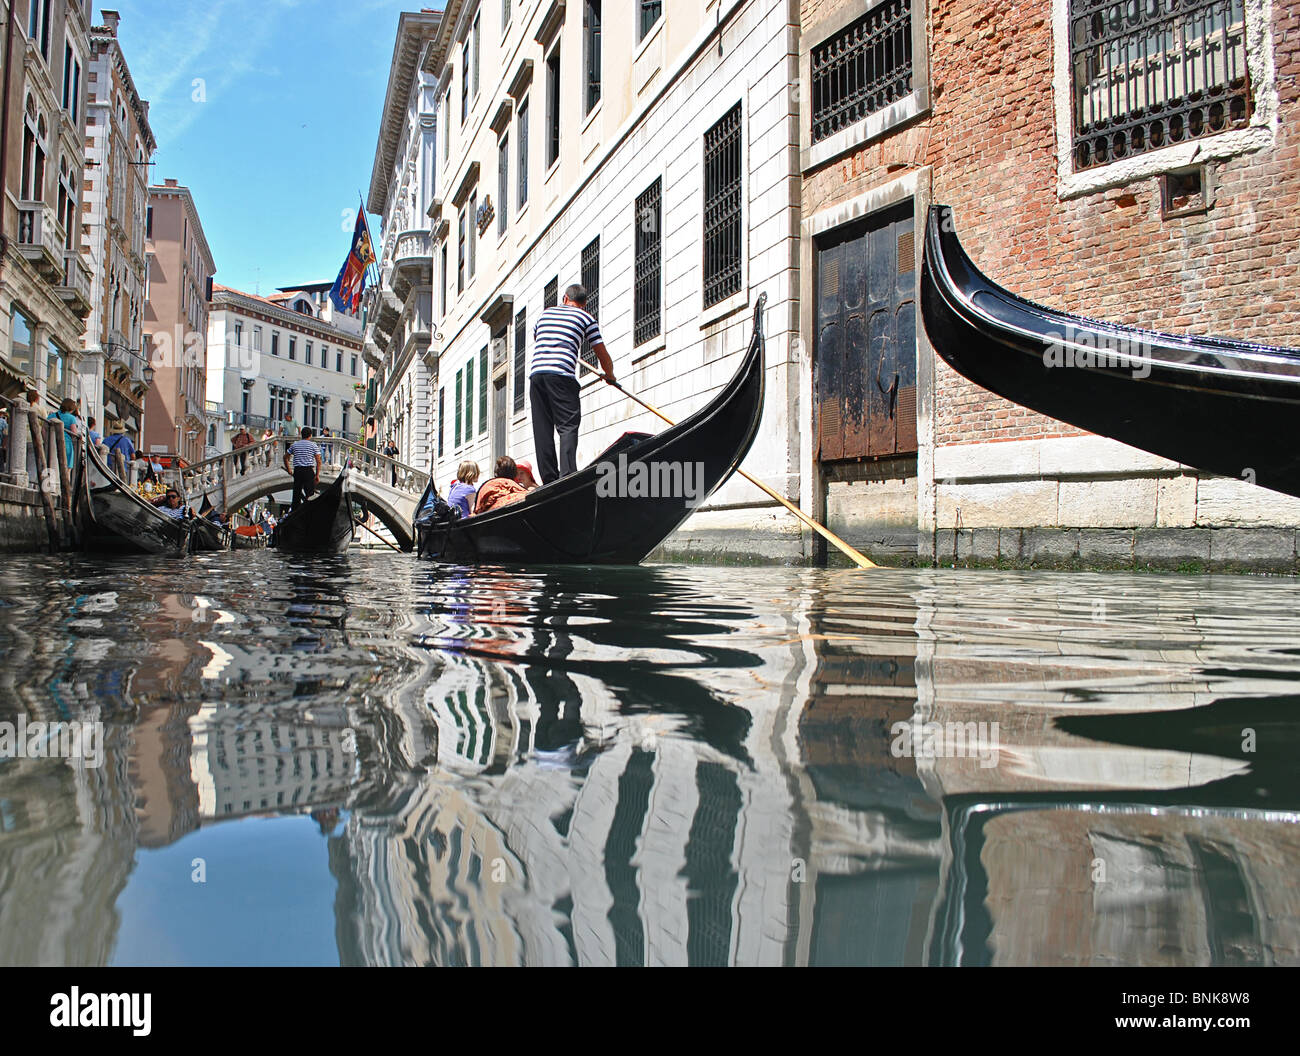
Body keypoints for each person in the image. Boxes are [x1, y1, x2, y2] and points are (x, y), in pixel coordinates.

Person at [530, 283, 615, 483]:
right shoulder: (586, 318)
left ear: (565, 299)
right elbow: (601, 352)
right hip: (562, 376)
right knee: (567, 426)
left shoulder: (545, 314)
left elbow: (537, 337)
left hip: (537, 375)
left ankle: (549, 479)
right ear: (584, 304)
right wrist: (610, 374)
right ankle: (567, 475)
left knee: (542, 429)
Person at [283, 426, 322, 509]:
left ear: (301, 435)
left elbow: (285, 457)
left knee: (296, 494)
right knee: (310, 494)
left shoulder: (295, 445)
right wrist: (317, 475)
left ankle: (294, 511)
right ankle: (309, 510)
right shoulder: (313, 445)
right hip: (308, 471)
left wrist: (289, 469)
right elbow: (318, 461)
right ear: (310, 435)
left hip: (298, 471)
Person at [46, 397, 79, 469]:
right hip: (66, 443)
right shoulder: (71, 418)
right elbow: (74, 433)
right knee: (67, 469)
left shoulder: (51, 416)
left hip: (52, 443)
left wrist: (46, 440)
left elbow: (43, 430)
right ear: (71, 408)